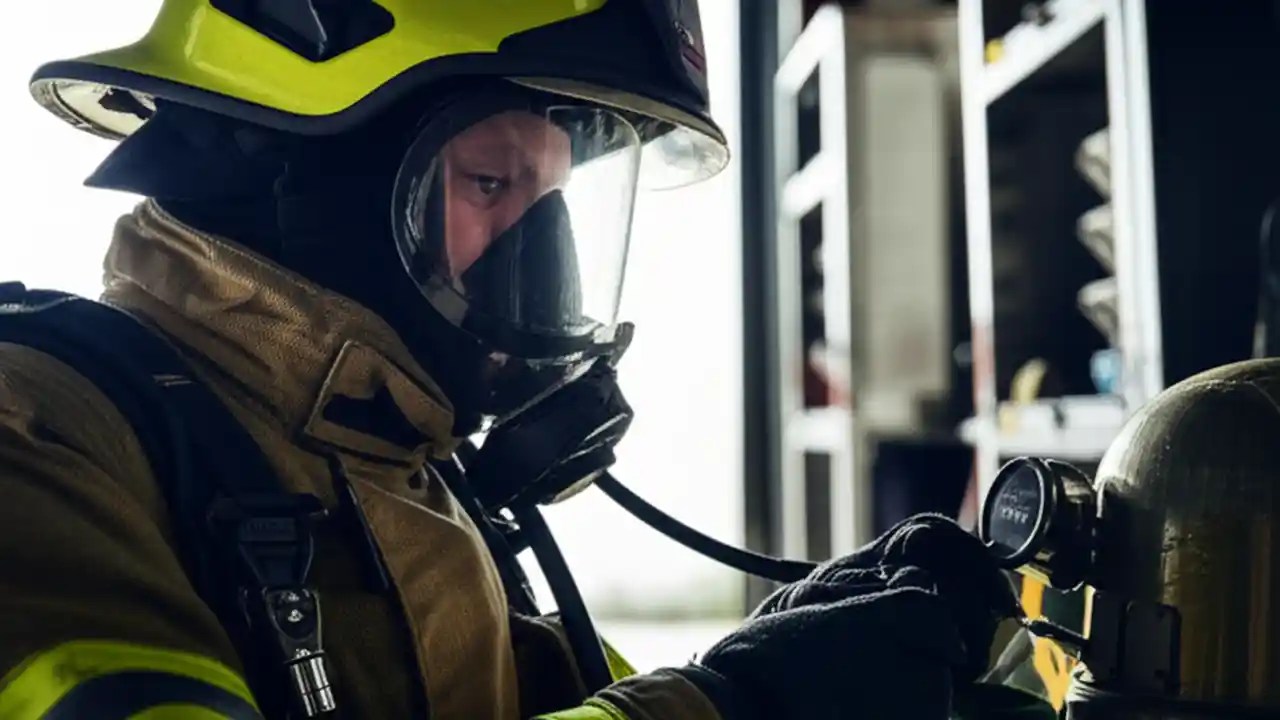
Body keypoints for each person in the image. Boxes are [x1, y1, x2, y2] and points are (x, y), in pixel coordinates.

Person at [0, 1, 1022, 718]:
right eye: (490, 182)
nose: (542, 258)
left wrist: (802, 656)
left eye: (555, 199)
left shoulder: (411, 479)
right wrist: (736, 706)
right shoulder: (41, 430)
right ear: (309, 173)